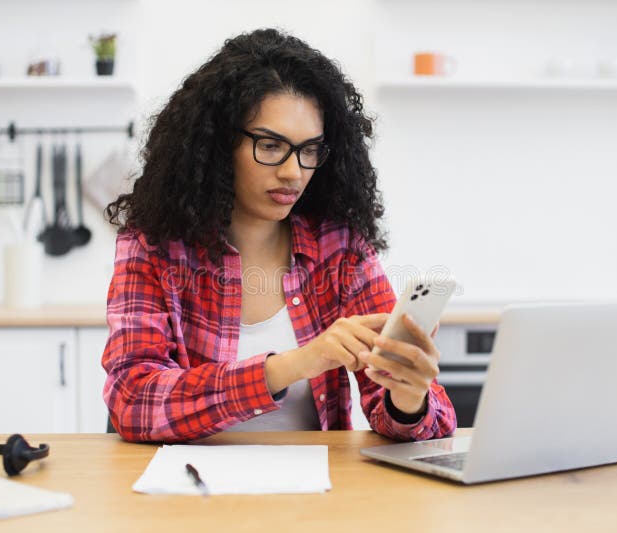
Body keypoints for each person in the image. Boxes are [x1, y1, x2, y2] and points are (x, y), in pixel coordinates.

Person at [102, 28, 456, 443]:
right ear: (218, 144)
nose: (294, 172)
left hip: (313, 495)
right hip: (188, 491)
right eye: (271, 146)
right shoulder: (153, 246)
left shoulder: (339, 248)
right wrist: (293, 365)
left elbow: (423, 419)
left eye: (310, 151)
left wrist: (407, 397)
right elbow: (132, 400)